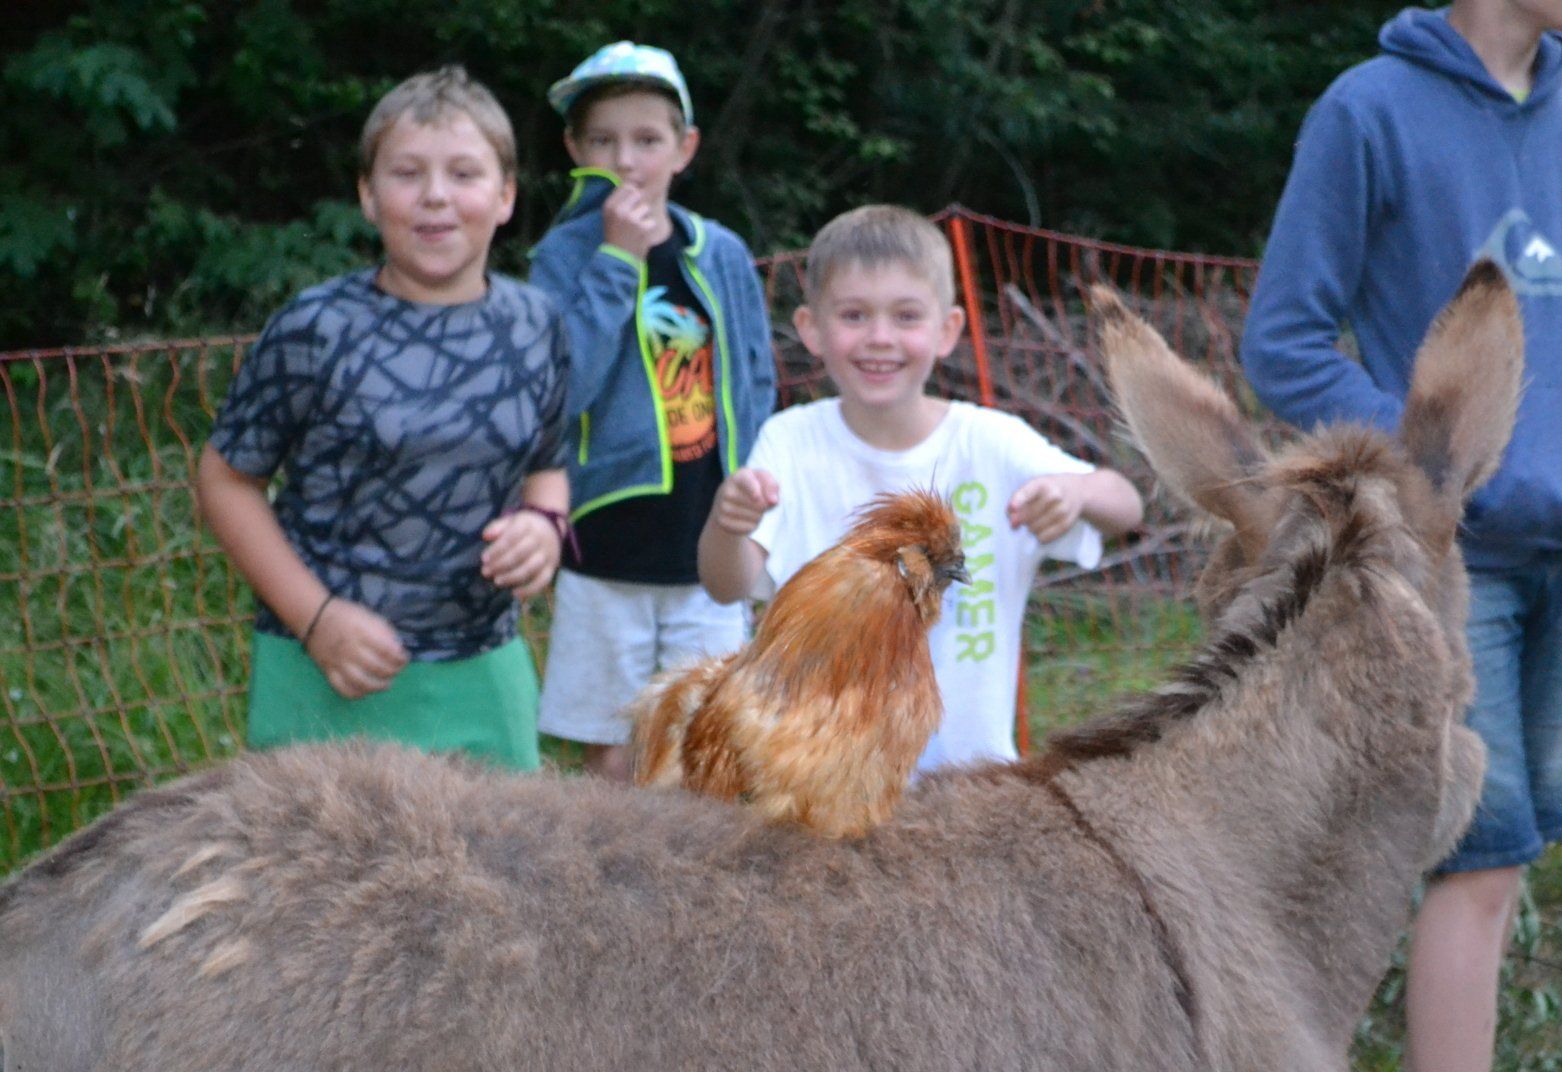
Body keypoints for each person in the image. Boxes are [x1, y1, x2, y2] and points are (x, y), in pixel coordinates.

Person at [1239, 3, 1562, 1072]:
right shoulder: (1368, 109)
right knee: (1474, 857)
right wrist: (1428, 477)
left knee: (1508, 851)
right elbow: (1286, 337)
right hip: (1451, 563)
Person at [196, 66, 570, 773]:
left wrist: (544, 529)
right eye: (407, 174)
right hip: (326, 675)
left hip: (483, 676)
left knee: (502, 880)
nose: (435, 196)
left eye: (464, 173)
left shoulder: (537, 324)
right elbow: (224, 482)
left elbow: (548, 468)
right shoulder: (314, 327)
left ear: (506, 196)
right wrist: (316, 618)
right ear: (368, 197)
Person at [699, 204, 1144, 771]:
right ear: (810, 329)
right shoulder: (790, 443)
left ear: (947, 330)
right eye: (854, 315)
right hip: (823, 782)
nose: (879, 338)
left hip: (971, 786)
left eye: (906, 316)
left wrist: (1077, 494)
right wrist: (726, 523)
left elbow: (1124, 504)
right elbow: (725, 583)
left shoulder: (992, 443)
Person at [529, 41, 777, 781]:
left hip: (708, 542)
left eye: (647, 139)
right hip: (605, 539)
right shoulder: (565, 256)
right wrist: (618, 262)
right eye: (603, 140)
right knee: (612, 744)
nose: (627, 159)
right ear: (576, 150)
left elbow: (756, 375)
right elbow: (560, 389)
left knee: (709, 735)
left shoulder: (722, 251)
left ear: (684, 148)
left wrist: (751, 482)